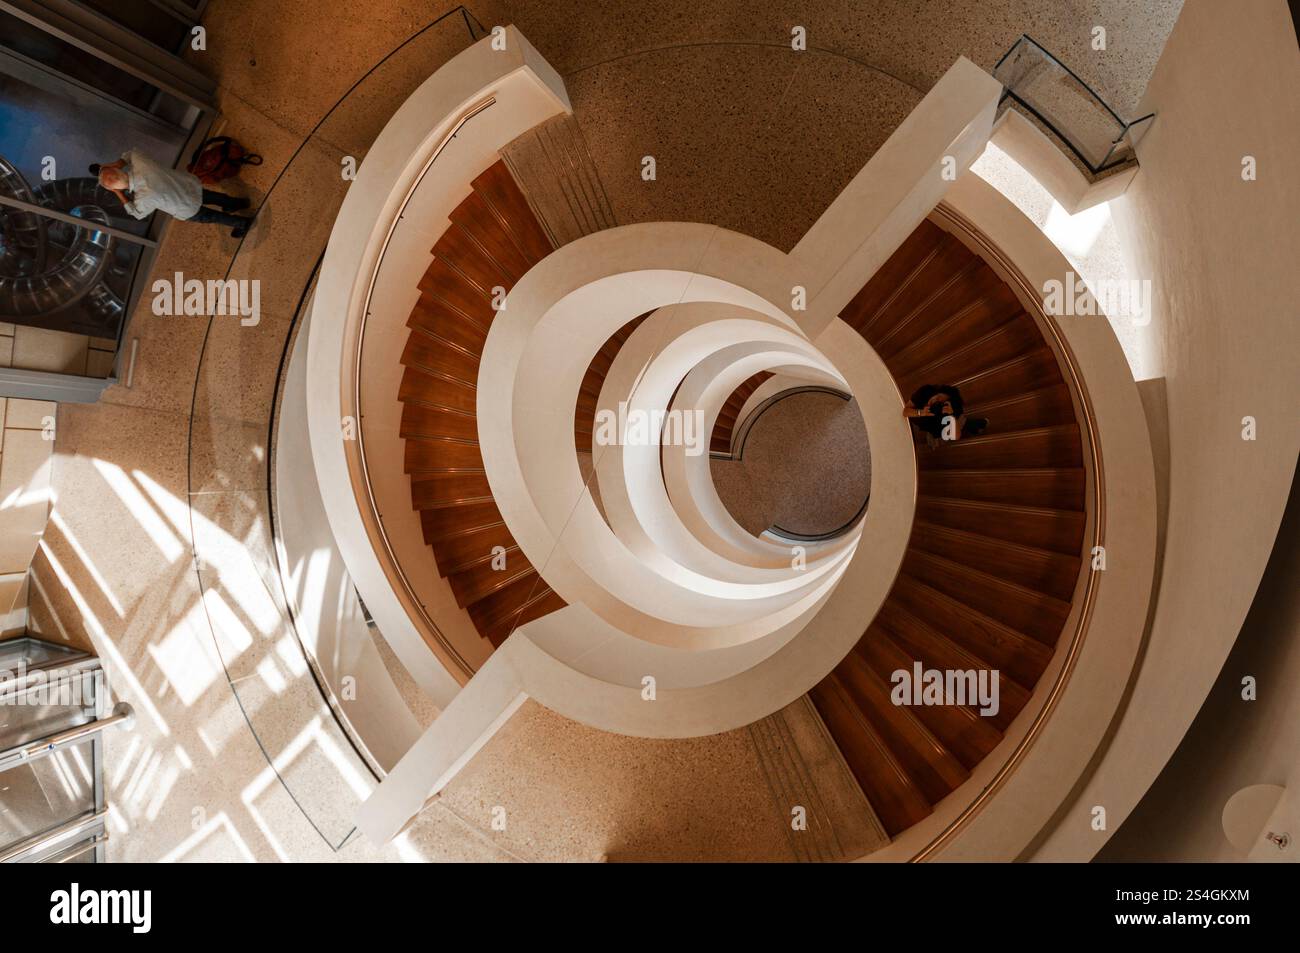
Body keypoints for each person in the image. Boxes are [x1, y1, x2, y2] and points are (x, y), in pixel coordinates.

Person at [90, 149, 256, 238]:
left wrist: (118, 194)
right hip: (189, 187)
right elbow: (130, 154)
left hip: (186, 208)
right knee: (216, 197)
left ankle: (243, 223)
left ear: (117, 187)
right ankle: (240, 203)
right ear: (119, 170)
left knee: (212, 216)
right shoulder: (142, 164)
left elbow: (136, 213)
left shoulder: (143, 197)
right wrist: (115, 164)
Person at [904, 383, 988, 445]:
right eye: (938, 397)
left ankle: (973, 424)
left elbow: (955, 436)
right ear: (936, 392)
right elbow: (905, 411)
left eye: (941, 403)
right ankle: (971, 424)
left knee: (959, 425)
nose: (936, 402)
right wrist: (920, 412)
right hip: (928, 425)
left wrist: (952, 416)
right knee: (961, 423)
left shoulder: (945, 412)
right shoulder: (925, 391)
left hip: (940, 425)